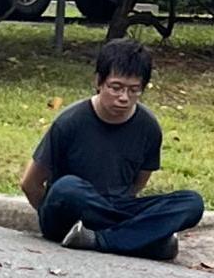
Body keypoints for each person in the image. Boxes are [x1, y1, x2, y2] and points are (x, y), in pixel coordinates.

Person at [20, 38, 204, 260]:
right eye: (115, 88)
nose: (124, 98)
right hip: (73, 209)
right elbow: (30, 183)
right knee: (67, 188)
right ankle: (145, 241)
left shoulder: (149, 127)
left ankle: (100, 239)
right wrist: (51, 213)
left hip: (118, 206)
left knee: (191, 203)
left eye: (134, 90)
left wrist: (110, 212)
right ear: (99, 81)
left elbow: (138, 184)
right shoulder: (70, 121)